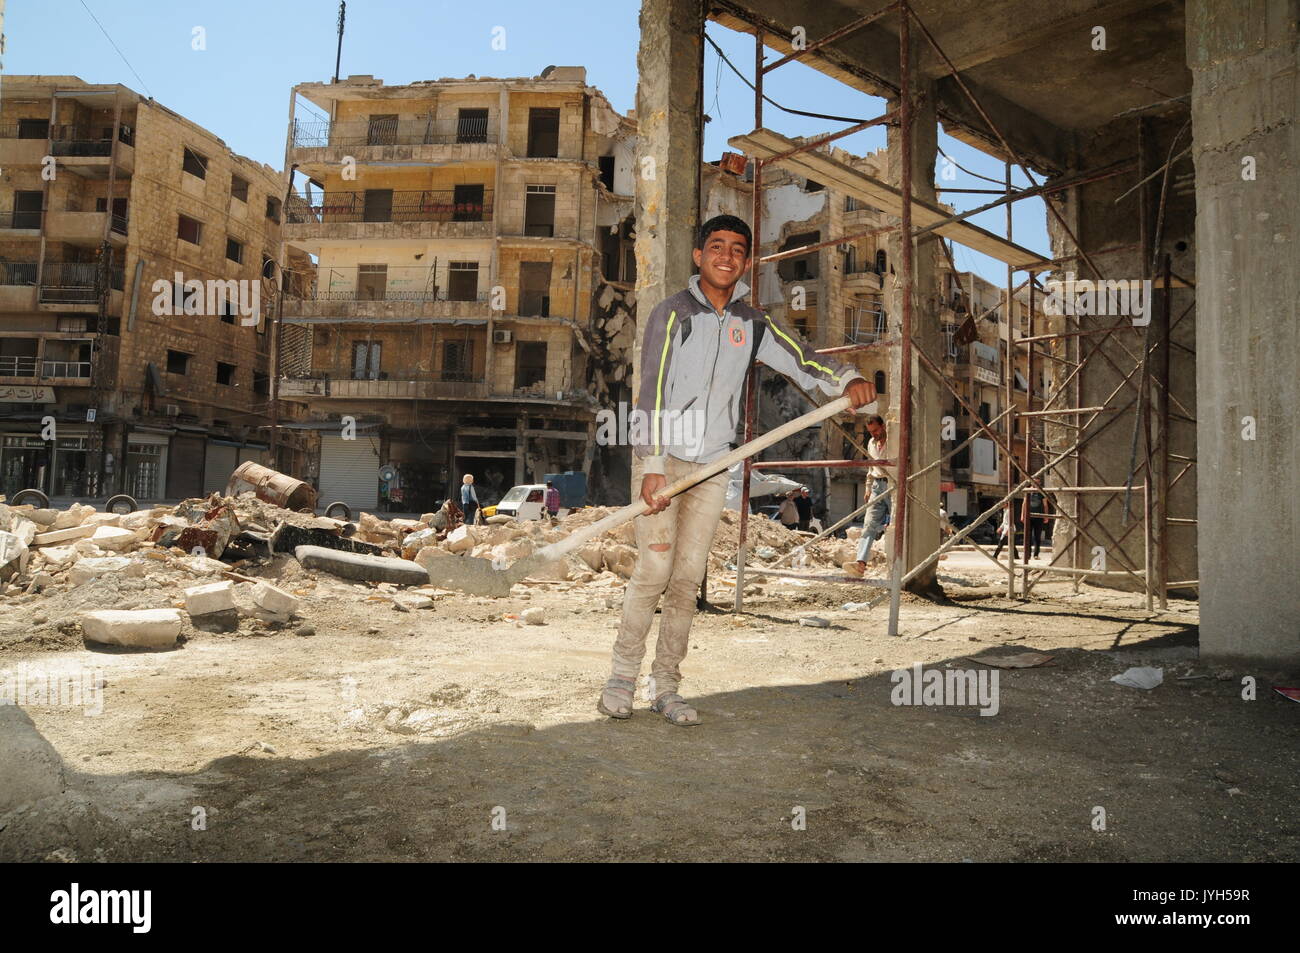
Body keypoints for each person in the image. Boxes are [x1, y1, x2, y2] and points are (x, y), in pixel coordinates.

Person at [598, 214, 875, 726]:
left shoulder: (754, 322)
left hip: (714, 463)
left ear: (746, 262)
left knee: (685, 580)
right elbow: (652, 387)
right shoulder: (672, 313)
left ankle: (666, 687)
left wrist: (848, 378)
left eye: (737, 249)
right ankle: (620, 678)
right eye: (717, 246)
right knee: (654, 569)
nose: (726, 256)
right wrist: (653, 464)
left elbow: (803, 360)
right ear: (699, 256)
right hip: (662, 460)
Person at [842, 414, 891, 577]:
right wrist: (868, 488)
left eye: (876, 430)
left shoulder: (894, 442)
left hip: (893, 485)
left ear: (883, 426)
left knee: (897, 526)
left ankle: (898, 564)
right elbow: (871, 467)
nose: (873, 434)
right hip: (877, 485)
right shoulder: (871, 443)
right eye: (870, 431)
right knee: (868, 525)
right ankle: (860, 563)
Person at [1026, 488, 1050, 558]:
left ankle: (1036, 554)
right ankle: (1028, 554)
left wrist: (1046, 516)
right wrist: (1022, 515)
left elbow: (1045, 505)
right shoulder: (1028, 491)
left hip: (1039, 517)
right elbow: (1024, 503)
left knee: (1037, 536)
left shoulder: (1041, 492)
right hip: (1029, 516)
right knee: (1028, 536)